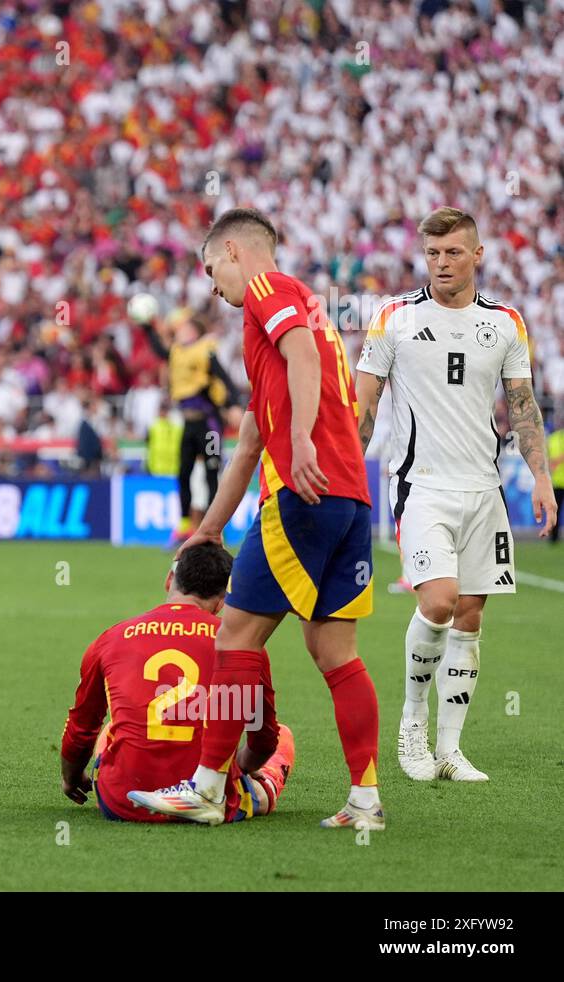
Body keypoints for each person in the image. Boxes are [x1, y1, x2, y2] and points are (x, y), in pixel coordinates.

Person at [129, 208, 383, 830]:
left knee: (234, 637)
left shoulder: (272, 293)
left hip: (302, 494)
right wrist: (209, 528)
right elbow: (246, 444)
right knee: (335, 652)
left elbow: (302, 359)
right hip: (349, 503)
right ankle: (365, 800)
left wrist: (299, 439)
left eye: (212, 266)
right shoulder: (303, 319)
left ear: (237, 251)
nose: (212, 283)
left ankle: (208, 788)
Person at [356, 207, 558, 782]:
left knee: (471, 616)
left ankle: (450, 750)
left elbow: (522, 406)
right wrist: (349, 465)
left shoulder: (507, 323)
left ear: (478, 255)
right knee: (439, 601)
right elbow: (364, 404)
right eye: (433, 253)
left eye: (452, 252)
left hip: (484, 489)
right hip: (421, 486)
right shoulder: (393, 317)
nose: (441, 263)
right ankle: (412, 724)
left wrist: (540, 476)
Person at [60, 542, 295, 824]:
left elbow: (81, 729)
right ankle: (261, 787)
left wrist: (71, 778)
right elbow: (264, 740)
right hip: (211, 797)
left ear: (170, 580)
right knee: (283, 737)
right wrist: (241, 767)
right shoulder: (243, 645)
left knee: (111, 727)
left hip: (124, 801)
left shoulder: (111, 638)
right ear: (224, 601)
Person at [140, 314, 239, 542]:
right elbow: (160, 352)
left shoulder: (206, 351)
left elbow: (224, 378)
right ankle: (185, 524)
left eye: (184, 328)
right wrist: (147, 327)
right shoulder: (178, 352)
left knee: (212, 473)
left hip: (210, 424)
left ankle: (216, 526)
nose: (180, 332)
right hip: (189, 423)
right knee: (183, 473)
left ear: (194, 332)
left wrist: (233, 404)